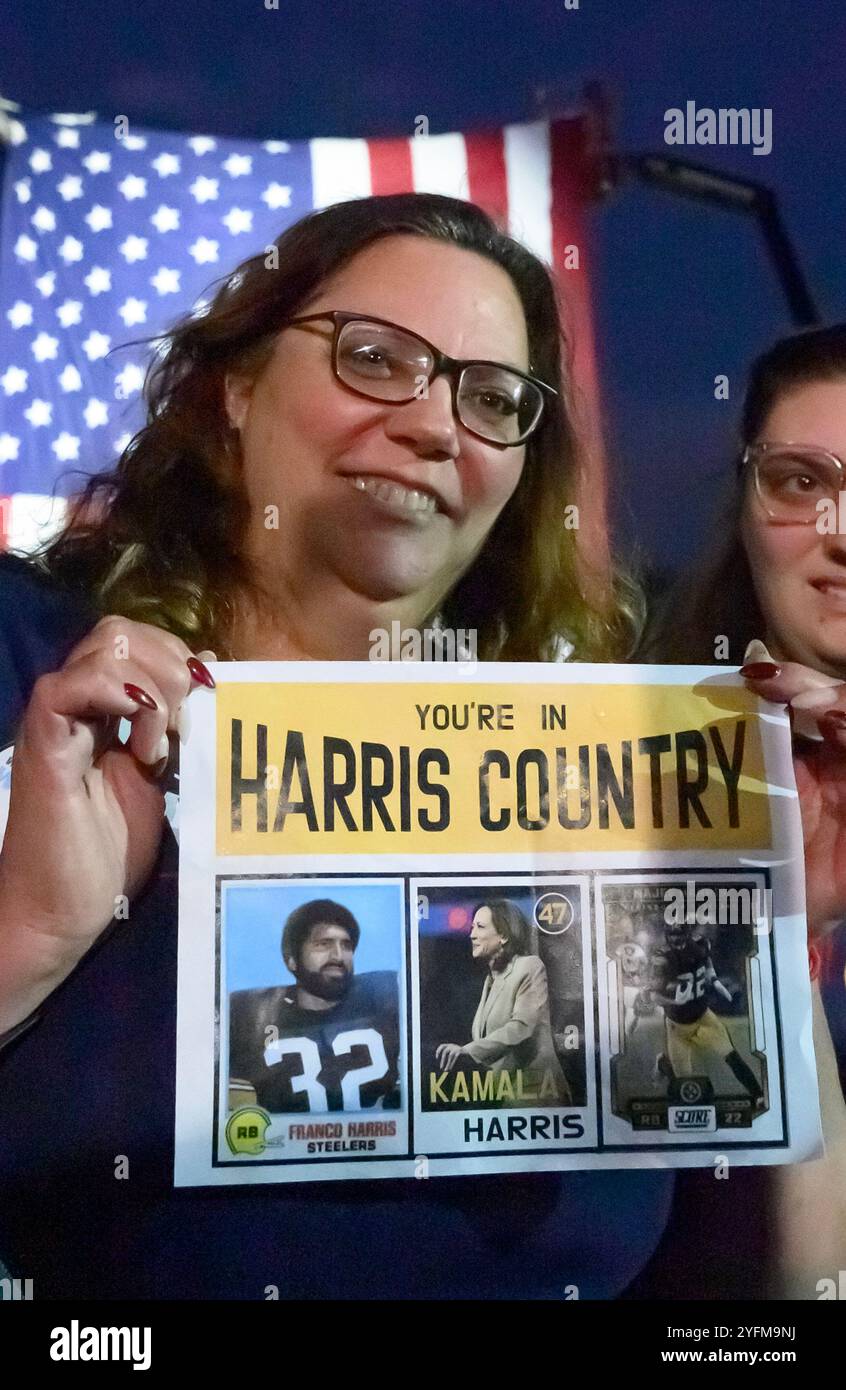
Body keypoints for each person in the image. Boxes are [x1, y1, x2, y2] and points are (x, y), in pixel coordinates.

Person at [0, 196, 843, 1301]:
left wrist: (770, 939)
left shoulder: (619, 773)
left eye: (492, 398)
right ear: (236, 385)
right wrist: (33, 928)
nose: (436, 426)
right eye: (376, 358)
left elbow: (771, 1288)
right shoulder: (34, 662)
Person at [637, 323, 846, 1297]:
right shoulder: (633, 768)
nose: (838, 529)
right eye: (801, 481)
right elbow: (788, 1285)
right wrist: (780, 940)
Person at [228, 897, 400, 1113]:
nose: (338, 956)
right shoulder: (247, 1014)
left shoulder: (387, 993)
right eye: (323, 944)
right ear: (292, 960)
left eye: (346, 945)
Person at [435, 899, 572, 1104]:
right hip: (507, 1099)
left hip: (537, 1100)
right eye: (472, 927)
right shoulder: (490, 981)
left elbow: (521, 1028)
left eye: (480, 927)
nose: (472, 935)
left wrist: (467, 1050)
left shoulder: (529, 966)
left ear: (504, 935)